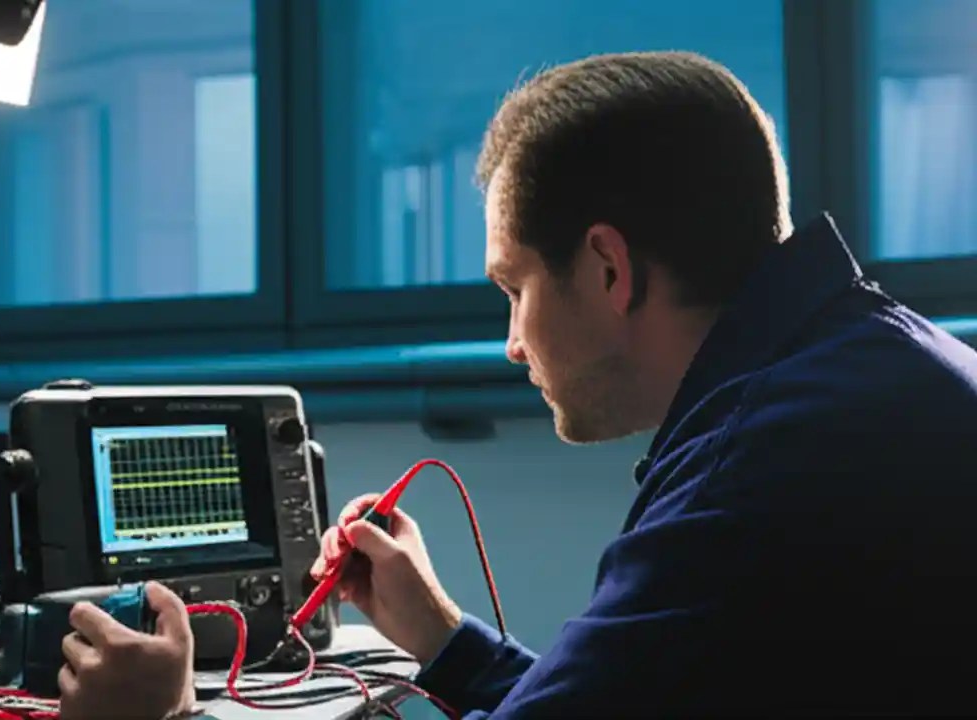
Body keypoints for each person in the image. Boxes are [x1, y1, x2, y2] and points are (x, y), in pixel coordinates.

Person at [57, 50, 977, 717]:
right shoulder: (857, 373)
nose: (510, 344)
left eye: (514, 288)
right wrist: (443, 637)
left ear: (609, 268)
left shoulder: (755, 477)